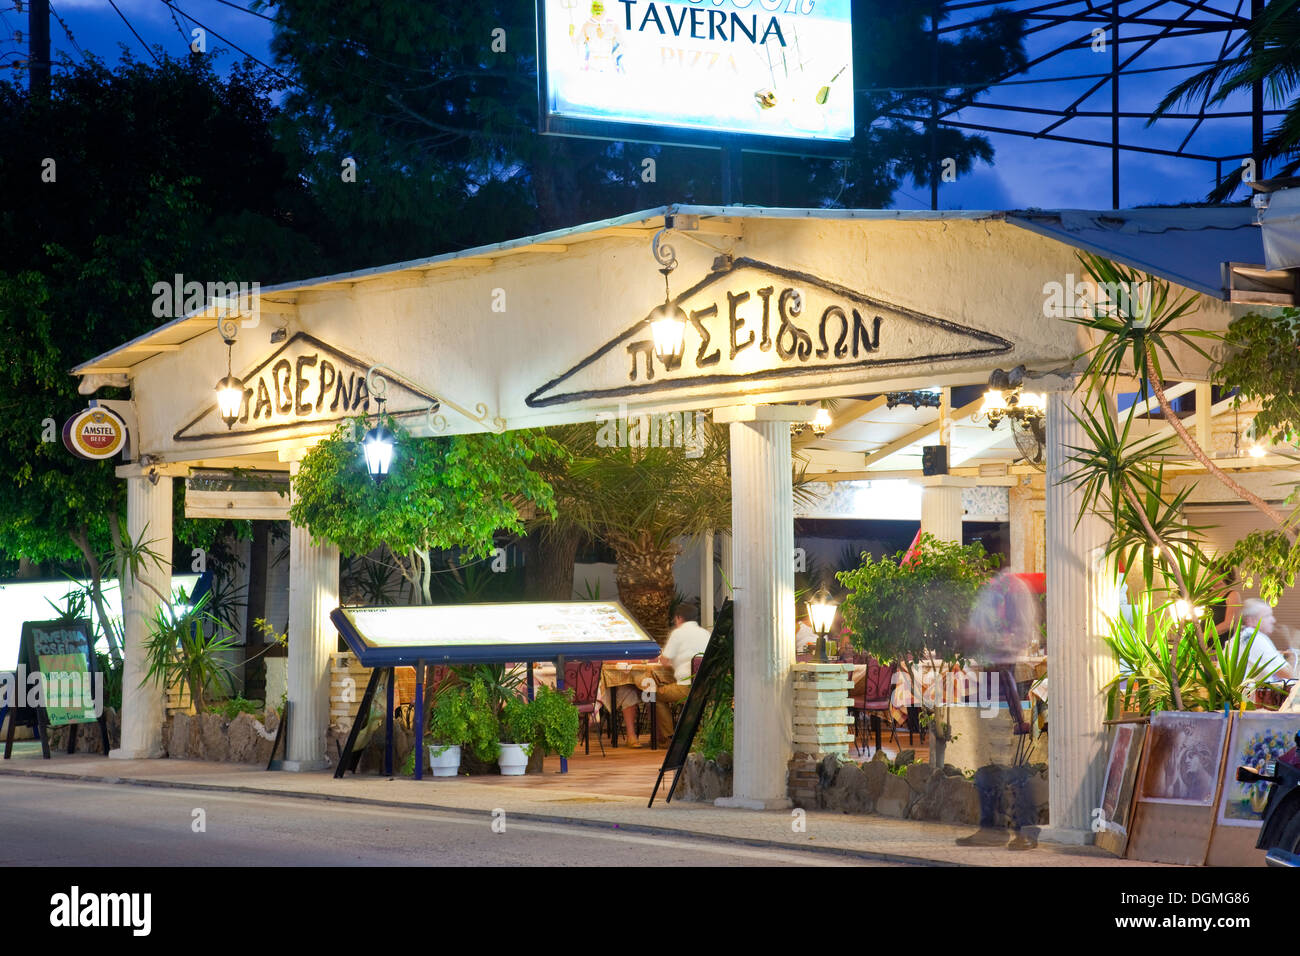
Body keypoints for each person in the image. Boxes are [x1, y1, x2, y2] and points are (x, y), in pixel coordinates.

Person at [614, 603, 710, 747]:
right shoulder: (705, 633)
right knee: (663, 690)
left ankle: (667, 737)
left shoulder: (678, 633)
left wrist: (673, 661)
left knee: (653, 695)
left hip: (686, 688)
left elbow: (664, 660)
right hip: (706, 687)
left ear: (678, 618)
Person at [1238, 599, 1296, 682]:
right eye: (1267, 616)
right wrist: (1292, 657)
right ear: (1251, 620)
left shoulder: (1242, 636)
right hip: (1252, 694)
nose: (1273, 620)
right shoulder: (1254, 639)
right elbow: (1288, 675)